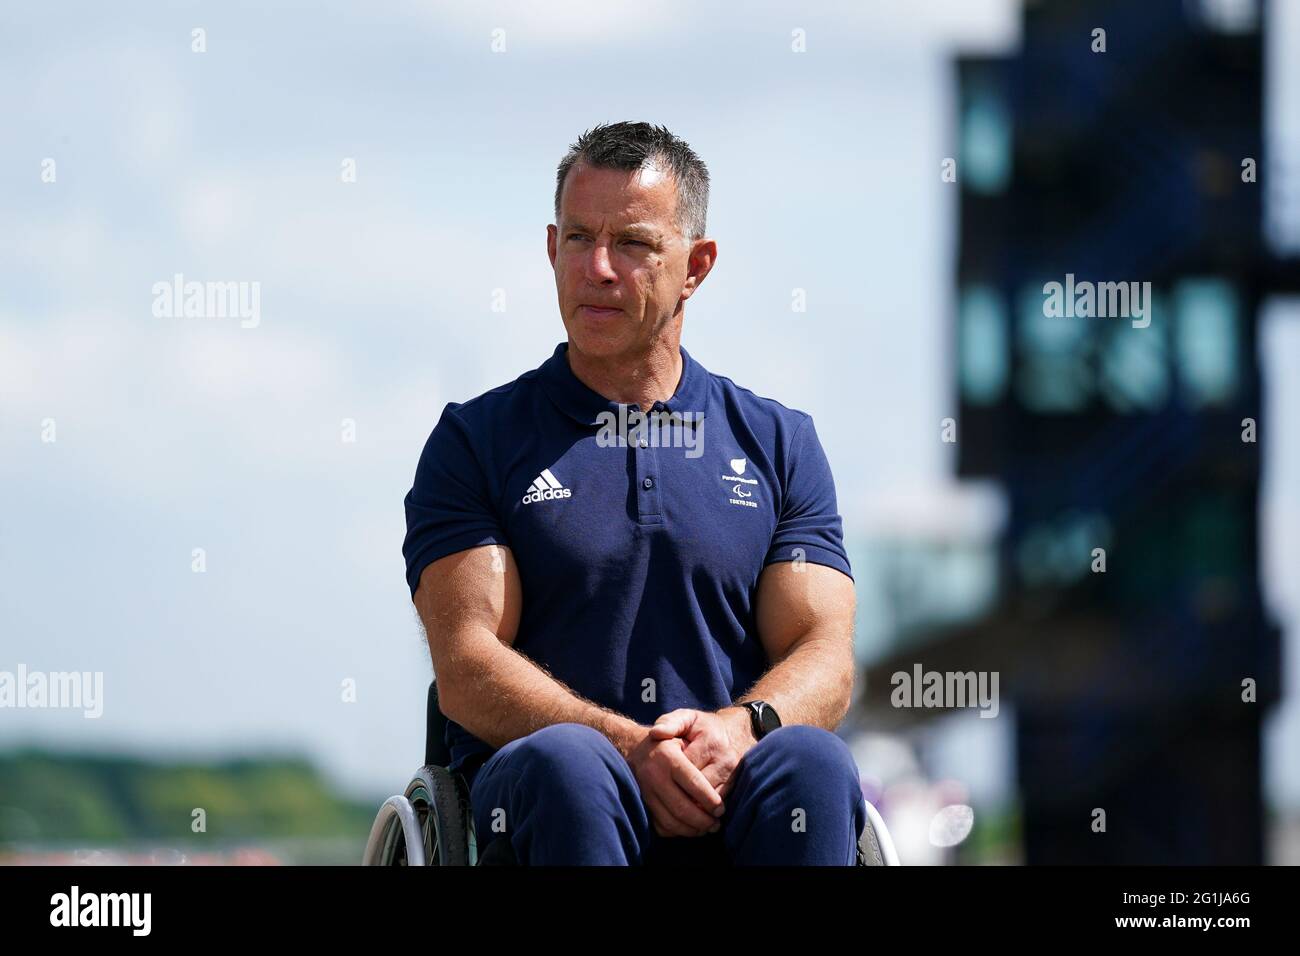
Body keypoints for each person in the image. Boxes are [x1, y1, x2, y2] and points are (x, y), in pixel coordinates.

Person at [402, 121, 865, 865]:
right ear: (551, 250)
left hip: (725, 797)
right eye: (580, 239)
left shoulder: (779, 443)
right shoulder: (475, 442)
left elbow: (827, 656)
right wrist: (627, 748)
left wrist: (738, 732)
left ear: (697, 266)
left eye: (635, 244)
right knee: (571, 764)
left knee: (812, 762)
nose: (601, 268)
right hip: (541, 808)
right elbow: (465, 665)